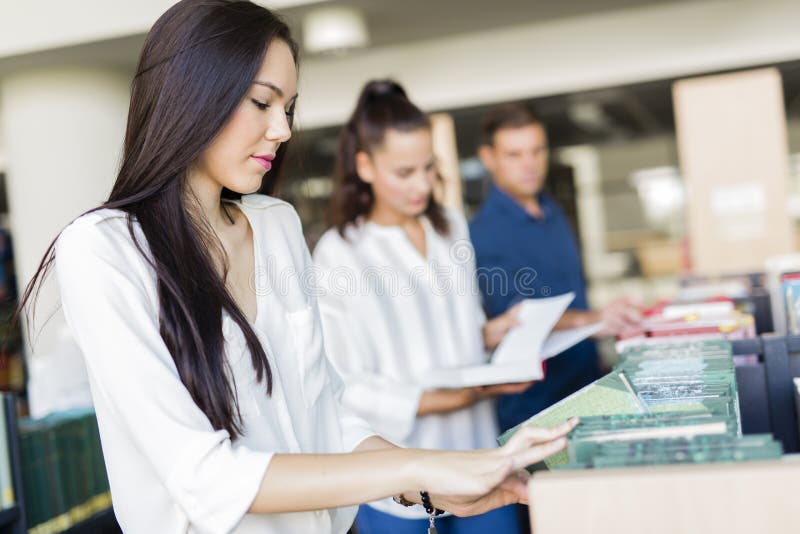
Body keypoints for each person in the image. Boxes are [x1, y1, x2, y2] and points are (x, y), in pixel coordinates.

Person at [17, 3, 576, 533]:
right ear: (191, 96)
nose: (282, 130)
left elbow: (328, 416)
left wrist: (427, 484)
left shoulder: (277, 226)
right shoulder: (104, 249)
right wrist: (415, 470)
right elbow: (203, 476)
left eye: (287, 108)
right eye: (262, 103)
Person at [313, 80, 532, 534]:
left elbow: (462, 327)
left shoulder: (450, 227)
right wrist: (450, 398)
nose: (421, 185)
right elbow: (344, 383)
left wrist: (498, 333)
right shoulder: (341, 251)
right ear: (365, 166)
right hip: (399, 480)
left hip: (477, 459)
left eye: (428, 168)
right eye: (404, 171)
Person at [470, 103, 641, 433]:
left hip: (587, 390)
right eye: (514, 155)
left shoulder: (553, 212)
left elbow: (573, 297)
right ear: (488, 158)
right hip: (536, 410)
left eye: (536, 151)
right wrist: (596, 320)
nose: (529, 164)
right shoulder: (484, 233)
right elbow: (519, 316)